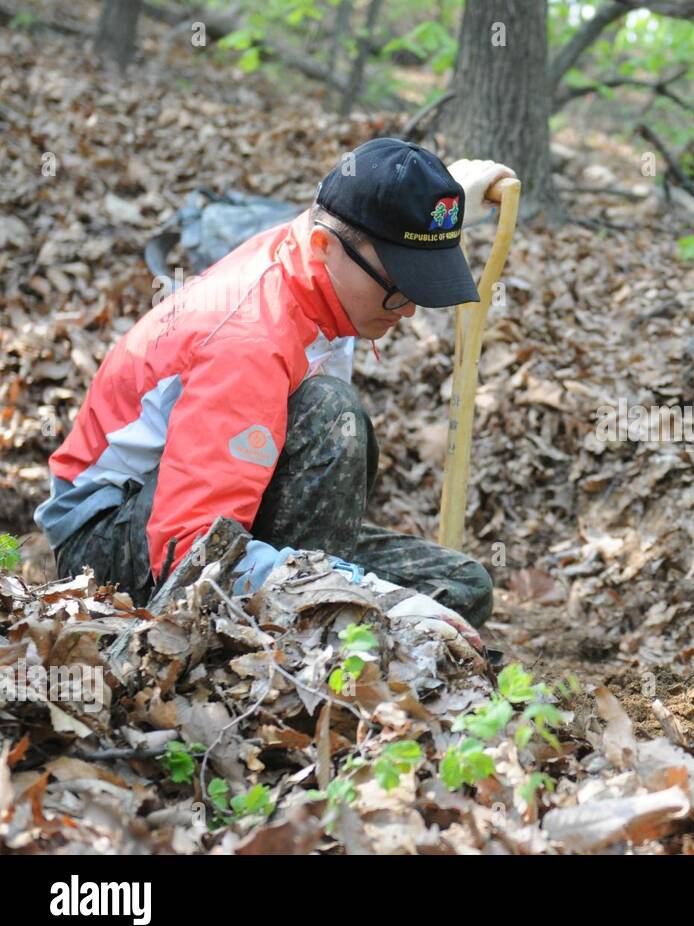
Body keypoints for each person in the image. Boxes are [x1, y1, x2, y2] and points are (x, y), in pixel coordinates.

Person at [35, 138, 513, 629]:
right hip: (115, 546)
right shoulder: (248, 339)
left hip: (226, 501)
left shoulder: (318, 256)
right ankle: (307, 634)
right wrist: (379, 600)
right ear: (326, 247)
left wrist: (437, 213)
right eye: (398, 289)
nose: (408, 309)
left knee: (459, 590)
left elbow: (363, 214)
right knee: (331, 415)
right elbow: (191, 553)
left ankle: (319, 618)